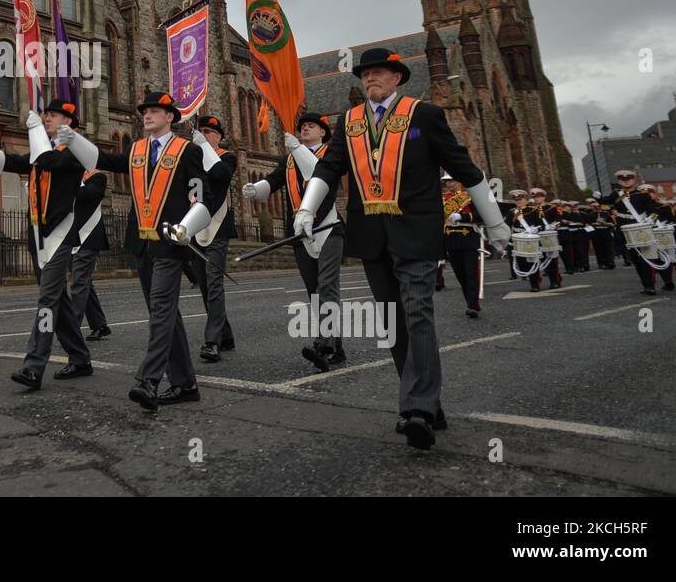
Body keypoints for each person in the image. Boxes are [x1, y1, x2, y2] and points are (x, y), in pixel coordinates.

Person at [294, 48, 509, 450]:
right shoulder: (350, 122)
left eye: (378, 73)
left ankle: (418, 408)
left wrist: (494, 222)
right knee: (393, 321)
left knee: (418, 313)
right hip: (372, 235)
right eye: (365, 75)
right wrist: (307, 207)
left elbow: (463, 167)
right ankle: (428, 404)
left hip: (416, 232)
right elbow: (330, 166)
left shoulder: (423, 115)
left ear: (397, 78)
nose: (370, 79)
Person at [57, 91, 220, 411]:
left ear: (170, 116)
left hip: (170, 244)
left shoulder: (186, 151)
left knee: (161, 310)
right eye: (144, 110)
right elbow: (104, 160)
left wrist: (187, 227)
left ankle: (148, 379)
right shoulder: (137, 150)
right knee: (165, 313)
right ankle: (185, 382)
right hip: (141, 244)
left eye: (155, 110)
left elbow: (204, 198)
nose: (147, 114)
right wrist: (74, 140)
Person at [0, 100, 93, 390]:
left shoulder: (75, 151)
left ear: (70, 122)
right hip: (37, 233)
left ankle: (34, 365)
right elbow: (14, 163)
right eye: (46, 115)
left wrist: (36, 130)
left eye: (53, 115)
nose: (47, 118)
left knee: (47, 300)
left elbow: (48, 161)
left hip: (60, 234)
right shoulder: (43, 150)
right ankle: (80, 357)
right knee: (57, 299)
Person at [245, 111, 346, 371]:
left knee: (327, 287)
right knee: (314, 290)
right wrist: (256, 190)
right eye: (302, 126)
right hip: (299, 233)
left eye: (311, 126)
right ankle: (334, 344)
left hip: (327, 227)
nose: (305, 129)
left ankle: (325, 344)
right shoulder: (290, 159)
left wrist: (298, 151)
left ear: (323, 132)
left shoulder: (331, 155)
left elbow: (319, 175)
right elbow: (274, 181)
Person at [187, 113, 238, 362]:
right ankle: (225, 335)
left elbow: (221, 176)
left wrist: (205, 147)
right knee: (206, 286)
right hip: (196, 225)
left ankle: (212, 341)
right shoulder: (194, 159)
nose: (204, 136)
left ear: (218, 137)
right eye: (202, 132)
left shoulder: (226, 157)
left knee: (214, 282)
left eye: (209, 132)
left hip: (217, 226)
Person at [609, 169, 668, 294]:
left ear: (634, 180)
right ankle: (646, 284)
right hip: (626, 230)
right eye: (622, 180)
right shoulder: (616, 195)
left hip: (642, 228)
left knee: (646, 257)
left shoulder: (643, 195)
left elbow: (653, 211)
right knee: (636, 258)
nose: (626, 182)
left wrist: (649, 221)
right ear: (619, 181)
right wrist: (596, 197)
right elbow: (604, 202)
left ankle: (650, 285)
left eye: (628, 179)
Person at [73, 168, 112, 341]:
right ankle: (99, 324)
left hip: (88, 237)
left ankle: (71, 328)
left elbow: (84, 196)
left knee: (79, 282)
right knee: (84, 282)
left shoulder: (97, 177)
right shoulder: (72, 175)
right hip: (72, 237)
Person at [441, 175, 482, 318]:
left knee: (471, 273)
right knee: (461, 275)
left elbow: (481, 215)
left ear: (459, 181)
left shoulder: (470, 196)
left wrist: (462, 217)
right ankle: (471, 302)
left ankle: (473, 305)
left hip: (468, 238)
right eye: (446, 182)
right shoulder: (442, 199)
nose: (448, 184)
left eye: (451, 181)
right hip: (450, 240)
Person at [589, 195, 618, 270]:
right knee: (599, 249)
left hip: (606, 232)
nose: (597, 208)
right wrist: (593, 224)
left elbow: (613, 224)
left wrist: (606, 224)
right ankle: (601, 263)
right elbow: (588, 225)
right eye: (595, 207)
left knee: (609, 248)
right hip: (596, 233)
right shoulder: (591, 215)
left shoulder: (606, 214)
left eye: (598, 206)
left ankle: (610, 262)